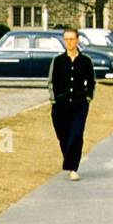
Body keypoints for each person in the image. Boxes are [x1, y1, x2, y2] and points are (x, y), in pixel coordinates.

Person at [47, 28, 95, 181]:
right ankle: (69, 160)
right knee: (63, 135)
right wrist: (54, 99)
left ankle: (73, 167)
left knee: (76, 135)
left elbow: (92, 82)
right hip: (60, 105)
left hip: (79, 105)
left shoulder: (85, 61)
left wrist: (88, 97)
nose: (69, 42)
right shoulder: (58, 61)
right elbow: (51, 82)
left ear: (77, 40)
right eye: (66, 39)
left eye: (72, 39)